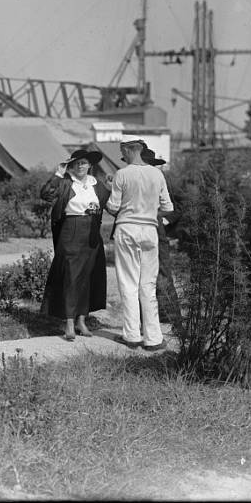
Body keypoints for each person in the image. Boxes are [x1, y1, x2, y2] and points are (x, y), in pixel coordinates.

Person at [105, 139, 174, 351]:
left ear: (127, 151)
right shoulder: (157, 174)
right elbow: (168, 207)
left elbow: (112, 207)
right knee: (148, 285)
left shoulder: (122, 174)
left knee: (128, 283)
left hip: (127, 229)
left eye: (122, 152)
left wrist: (112, 194)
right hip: (150, 230)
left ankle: (132, 335)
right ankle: (153, 338)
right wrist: (149, 212)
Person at [40, 148, 110, 341]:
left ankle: (82, 321)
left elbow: (109, 203)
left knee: (88, 275)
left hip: (92, 231)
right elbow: (45, 194)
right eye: (77, 163)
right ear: (71, 165)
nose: (81, 166)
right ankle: (69, 323)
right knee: (71, 275)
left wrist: (112, 188)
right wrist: (58, 173)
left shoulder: (96, 184)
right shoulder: (65, 182)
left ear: (90, 165)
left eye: (84, 163)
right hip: (71, 229)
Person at [140, 148, 180, 324]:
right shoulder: (129, 177)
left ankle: (168, 315)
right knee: (139, 273)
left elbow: (175, 205)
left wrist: (162, 220)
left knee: (162, 270)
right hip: (134, 229)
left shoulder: (160, 179)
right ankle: (144, 317)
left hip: (156, 227)